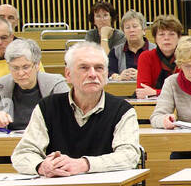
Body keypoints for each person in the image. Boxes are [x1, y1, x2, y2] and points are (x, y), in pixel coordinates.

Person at [11, 41, 141, 176]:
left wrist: (83, 164)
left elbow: (129, 156)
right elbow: (23, 153)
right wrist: (41, 166)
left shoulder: (122, 110)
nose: (92, 74)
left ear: (107, 74)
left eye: (99, 68)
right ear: (68, 74)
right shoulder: (47, 107)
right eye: (84, 68)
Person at [0, 38, 67, 132]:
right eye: (15, 68)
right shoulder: (0, 86)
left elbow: (74, 117)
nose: (20, 73)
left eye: (26, 67)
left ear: (37, 65)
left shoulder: (55, 84)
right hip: (11, 145)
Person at [135, 15, 184, 98]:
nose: (166, 38)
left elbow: (184, 91)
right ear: (155, 38)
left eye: (171, 34)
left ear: (179, 37)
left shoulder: (185, 57)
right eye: (161, 34)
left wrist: (155, 92)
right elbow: (142, 91)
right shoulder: (146, 57)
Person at [107, 10, 153, 81]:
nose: (131, 30)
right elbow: (109, 71)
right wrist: (118, 77)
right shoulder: (116, 51)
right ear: (123, 32)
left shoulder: (155, 50)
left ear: (144, 30)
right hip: (122, 90)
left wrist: (143, 75)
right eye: (127, 27)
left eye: (135, 26)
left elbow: (161, 74)